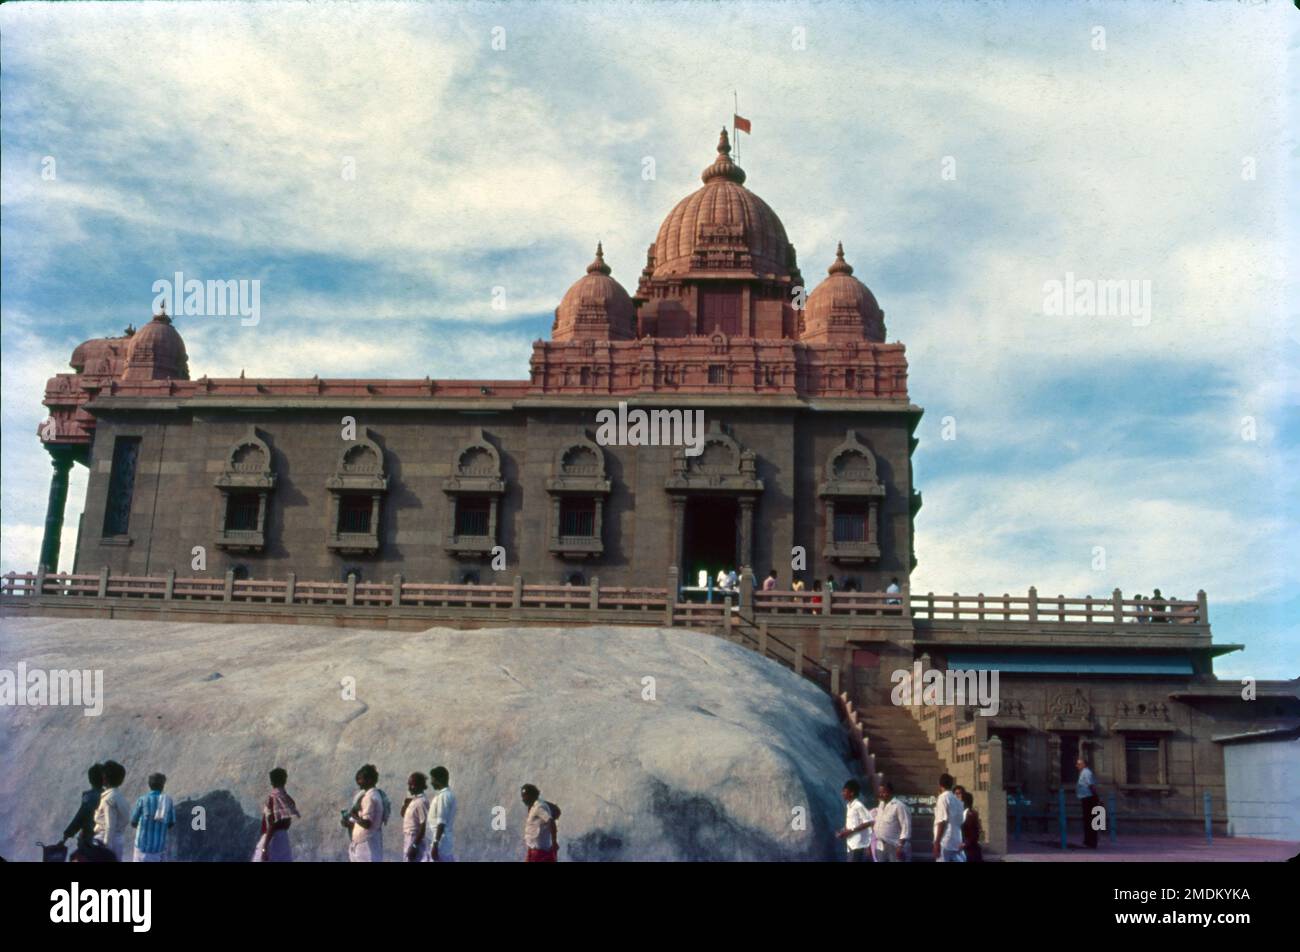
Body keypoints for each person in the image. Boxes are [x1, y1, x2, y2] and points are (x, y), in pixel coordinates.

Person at [254, 767, 300, 862]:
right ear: (284, 781)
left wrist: (264, 848)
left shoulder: (274, 799)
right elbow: (286, 822)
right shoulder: (287, 799)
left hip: (273, 840)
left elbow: (272, 824)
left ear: (272, 782)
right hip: (283, 840)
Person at [343, 764, 385, 862]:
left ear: (369, 780)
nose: (358, 782)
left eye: (360, 779)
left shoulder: (369, 798)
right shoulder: (372, 795)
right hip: (365, 842)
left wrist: (353, 815)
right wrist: (350, 821)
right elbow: (363, 820)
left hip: (366, 845)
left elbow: (367, 823)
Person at [130, 772, 175, 862]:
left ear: (149, 785)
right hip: (159, 850)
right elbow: (171, 823)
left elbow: (133, 822)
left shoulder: (143, 800)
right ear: (163, 786)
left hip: (142, 848)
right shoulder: (168, 801)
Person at [62, 763, 104, 852]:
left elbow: (81, 816)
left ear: (90, 780)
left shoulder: (89, 797)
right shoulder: (109, 796)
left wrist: (67, 834)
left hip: (90, 840)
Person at [93, 760, 130, 860]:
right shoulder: (120, 797)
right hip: (118, 840)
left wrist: (106, 849)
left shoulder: (108, 799)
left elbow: (110, 826)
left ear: (105, 778)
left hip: (106, 840)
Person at [872, 781, 910, 862]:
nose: (881, 794)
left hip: (894, 846)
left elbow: (905, 827)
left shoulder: (899, 806)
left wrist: (900, 846)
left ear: (890, 792)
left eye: (883, 792)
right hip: (880, 845)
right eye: (880, 792)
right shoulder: (881, 804)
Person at [835, 779, 873, 862]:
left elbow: (869, 822)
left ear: (851, 793)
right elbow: (853, 822)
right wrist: (843, 830)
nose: (842, 793)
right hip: (851, 843)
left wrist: (851, 831)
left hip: (857, 844)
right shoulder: (849, 805)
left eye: (845, 791)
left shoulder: (858, 805)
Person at [520, 783, 558, 862]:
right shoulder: (534, 805)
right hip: (533, 850)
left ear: (531, 795)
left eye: (524, 796)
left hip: (540, 852)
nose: (523, 799)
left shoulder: (539, 807)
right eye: (522, 796)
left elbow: (551, 822)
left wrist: (554, 842)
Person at [428, 765, 457, 862]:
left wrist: (435, 843)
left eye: (433, 779)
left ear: (439, 779)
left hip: (441, 842)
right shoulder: (448, 795)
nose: (431, 782)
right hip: (444, 842)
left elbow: (441, 822)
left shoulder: (443, 797)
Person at [933, 773, 963, 862]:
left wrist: (937, 842)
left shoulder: (943, 798)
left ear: (940, 784)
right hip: (956, 840)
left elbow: (942, 822)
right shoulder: (958, 801)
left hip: (945, 840)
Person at [401, 773, 430, 862]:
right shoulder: (414, 800)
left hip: (414, 838)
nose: (409, 788)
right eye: (409, 785)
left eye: (412, 785)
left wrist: (414, 845)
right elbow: (403, 814)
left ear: (419, 785)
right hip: (408, 837)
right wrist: (406, 804)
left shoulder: (421, 801)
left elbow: (423, 825)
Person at [1077, 756, 1100, 849]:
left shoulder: (1086, 773)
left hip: (1089, 799)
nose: (1077, 766)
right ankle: (1088, 841)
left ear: (1083, 764)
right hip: (1086, 798)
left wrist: (1096, 797)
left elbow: (1091, 786)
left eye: (1078, 764)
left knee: (1090, 820)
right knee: (1087, 820)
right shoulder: (1084, 772)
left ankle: (1091, 842)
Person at [958, 789, 983, 862]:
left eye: (960, 799)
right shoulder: (964, 813)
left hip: (970, 850)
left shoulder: (970, 814)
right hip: (966, 849)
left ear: (964, 802)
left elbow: (974, 833)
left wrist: (965, 844)